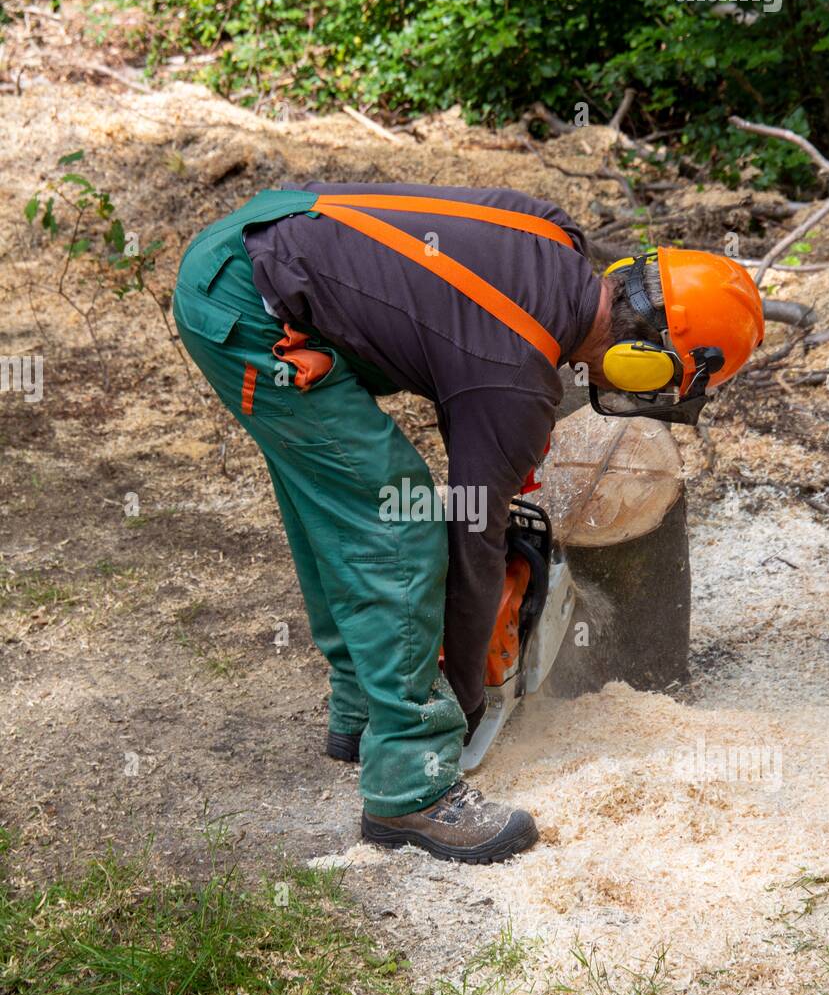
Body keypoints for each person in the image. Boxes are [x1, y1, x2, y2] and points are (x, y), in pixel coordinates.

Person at [173, 182, 762, 863]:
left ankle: (362, 710)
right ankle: (411, 788)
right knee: (398, 518)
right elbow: (472, 533)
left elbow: (464, 340)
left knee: (336, 497)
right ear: (646, 359)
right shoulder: (513, 379)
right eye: (662, 381)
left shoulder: (555, 232)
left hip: (253, 244)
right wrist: (464, 699)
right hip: (251, 310)